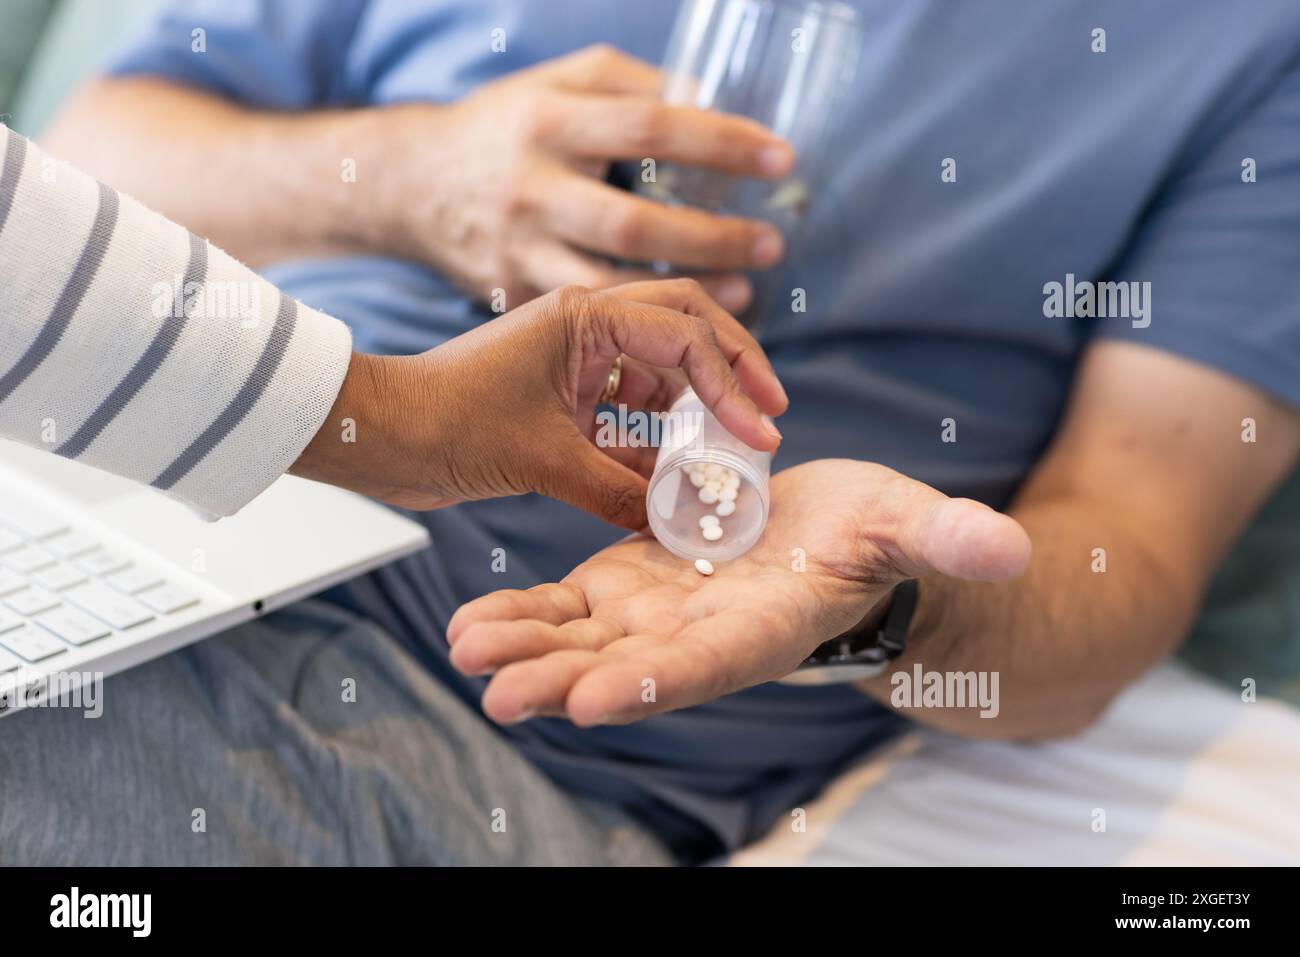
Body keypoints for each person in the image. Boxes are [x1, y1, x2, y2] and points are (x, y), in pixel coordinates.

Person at [14, 0, 1300, 865]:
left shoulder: (1244, 48)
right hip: (100, 507)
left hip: (460, 728)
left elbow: (1118, 566)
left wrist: (872, 610)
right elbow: (90, 166)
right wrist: (409, 176)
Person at [0, 124, 785, 527]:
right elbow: (86, 147)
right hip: (93, 471)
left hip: (406, 670)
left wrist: (878, 617)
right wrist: (405, 178)